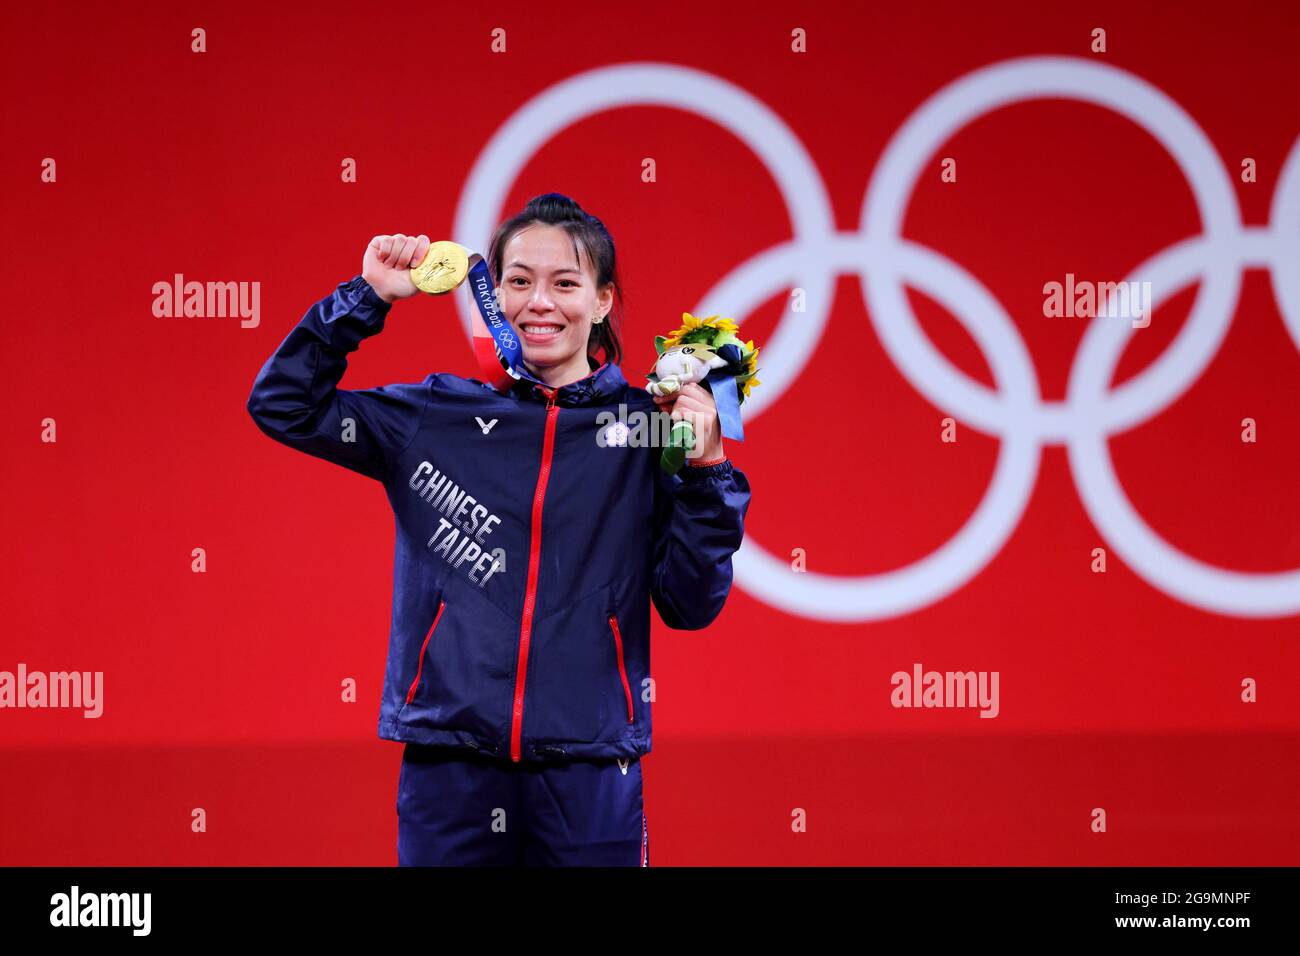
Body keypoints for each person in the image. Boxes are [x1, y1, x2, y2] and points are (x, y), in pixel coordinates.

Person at [245, 193, 752, 865]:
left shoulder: (645, 428)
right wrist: (366, 297)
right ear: (494, 293)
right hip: (450, 766)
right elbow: (282, 404)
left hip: (591, 770)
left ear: (602, 302)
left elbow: (690, 604)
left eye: (565, 283)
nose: (539, 302)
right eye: (520, 281)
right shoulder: (437, 414)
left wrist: (707, 467)